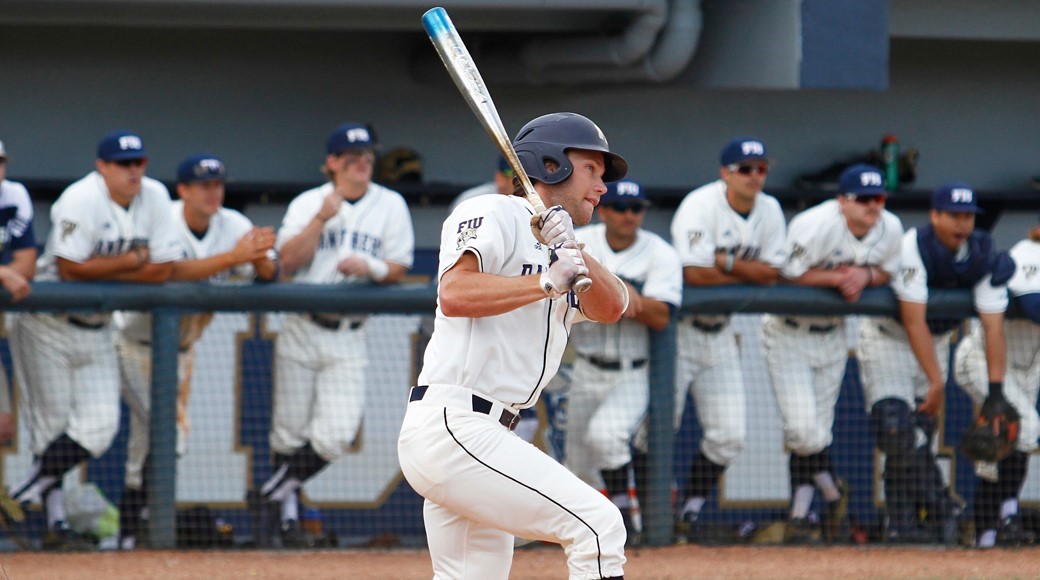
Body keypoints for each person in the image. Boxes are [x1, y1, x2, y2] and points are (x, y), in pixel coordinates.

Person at [398, 112, 630, 580]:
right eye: (592, 169)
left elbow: (613, 306)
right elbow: (455, 293)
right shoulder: (494, 212)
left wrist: (574, 252)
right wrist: (546, 281)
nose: (602, 186)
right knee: (598, 527)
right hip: (455, 423)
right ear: (552, 165)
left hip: (488, 434)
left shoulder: (566, 247)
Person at [7, 130, 181, 550]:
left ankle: (17, 497)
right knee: (51, 428)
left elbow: (162, 269)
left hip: (100, 326)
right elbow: (70, 268)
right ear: (102, 167)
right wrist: (133, 261)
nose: (134, 171)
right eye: (124, 164)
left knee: (101, 428)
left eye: (139, 162)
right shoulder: (80, 198)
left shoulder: (155, 196)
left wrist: (108, 267)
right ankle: (56, 526)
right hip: (48, 322)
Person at [255, 122, 414, 547]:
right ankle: (286, 519)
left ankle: (269, 494)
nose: (362, 162)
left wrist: (372, 267)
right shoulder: (309, 202)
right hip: (303, 324)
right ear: (331, 163)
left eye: (367, 156)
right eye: (351, 156)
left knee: (335, 434)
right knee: (288, 430)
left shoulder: (391, 203)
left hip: (349, 331)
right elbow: (284, 262)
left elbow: (398, 265)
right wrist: (321, 218)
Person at [115, 153, 278, 550]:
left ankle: (128, 533)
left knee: (144, 445)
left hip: (183, 348)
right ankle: (147, 522)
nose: (213, 192)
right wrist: (234, 257)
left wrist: (257, 257)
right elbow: (168, 272)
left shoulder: (232, 224)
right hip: (136, 343)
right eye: (203, 185)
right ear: (183, 190)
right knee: (168, 430)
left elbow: (272, 271)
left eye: (218, 184)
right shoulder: (165, 219)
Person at [857, 182, 1010, 544]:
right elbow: (913, 320)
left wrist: (996, 392)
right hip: (890, 339)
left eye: (968, 216)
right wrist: (936, 381)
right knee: (895, 428)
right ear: (934, 216)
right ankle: (942, 505)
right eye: (954, 215)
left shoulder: (982, 253)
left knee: (917, 434)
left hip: (938, 342)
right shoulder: (913, 247)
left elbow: (993, 327)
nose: (962, 223)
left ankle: (901, 526)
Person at [761, 164, 903, 543]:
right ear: (842, 200)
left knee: (817, 433)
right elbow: (784, 273)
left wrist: (866, 276)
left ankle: (801, 516)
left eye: (879, 198)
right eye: (863, 199)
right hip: (791, 332)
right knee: (805, 432)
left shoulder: (890, 226)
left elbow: (890, 270)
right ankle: (833, 493)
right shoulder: (814, 224)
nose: (873, 206)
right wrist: (837, 278)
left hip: (835, 333)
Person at [669, 137, 787, 541]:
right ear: (726, 173)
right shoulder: (700, 205)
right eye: (745, 169)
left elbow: (773, 273)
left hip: (720, 334)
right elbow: (693, 273)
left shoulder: (769, 209)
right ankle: (644, 514)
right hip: (678, 332)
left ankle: (690, 509)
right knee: (657, 428)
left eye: (761, 169)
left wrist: (725, 261)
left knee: (730, 434)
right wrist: (743, 270)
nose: (755, 176)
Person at [566, 178, 682, 544]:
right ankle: (585, 536)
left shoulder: (660, 252)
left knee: (607, 436)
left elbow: (663, 316)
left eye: (637, 209)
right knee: (578, 465)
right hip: (586, 366)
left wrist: (635, 302)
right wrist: (619, 297)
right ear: (604, 209)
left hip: (633, 369)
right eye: (620, 207)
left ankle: (624, 525)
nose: (629, 215)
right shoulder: (583, 244)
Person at [953, 215, 1040, 547]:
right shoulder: (1030, 252)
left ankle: (987, 538)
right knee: (1027, 427)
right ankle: (1007, 515)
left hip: (1028, 364)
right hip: (984, 360)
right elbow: (1034, 306)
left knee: (996, 453)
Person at [0, 139, 37, 446]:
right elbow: (12, 271)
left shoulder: (14, 195)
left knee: (2, 426)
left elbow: (26, 263)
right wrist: (1, 272)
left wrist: (10, 272)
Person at [448, 155, 514, 213]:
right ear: (500, 177)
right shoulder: (470, 202)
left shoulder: (522, 203)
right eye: (514, 174)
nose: (521, 182)